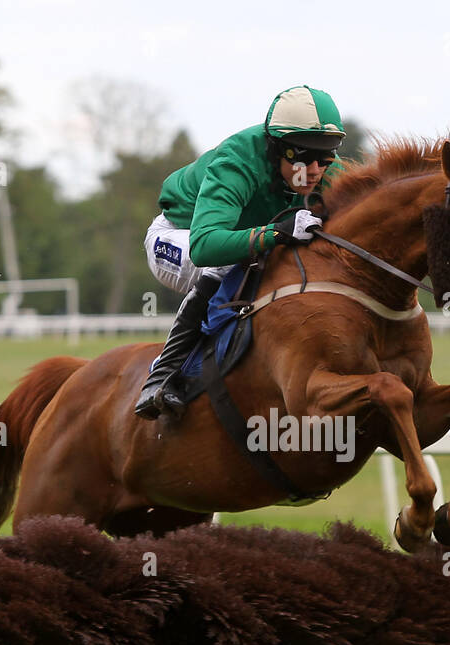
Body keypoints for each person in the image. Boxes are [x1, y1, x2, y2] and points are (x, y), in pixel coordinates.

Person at [134, 85, 347, 419]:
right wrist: (277, 232)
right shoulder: (238, 162)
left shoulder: (325, 170)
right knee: (225, 262)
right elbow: (205, 247)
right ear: (277, 148)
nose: (315, 170)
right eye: (303, 157)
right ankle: (162, 375)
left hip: (235, 240)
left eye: (326, 156)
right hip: (178, 239)